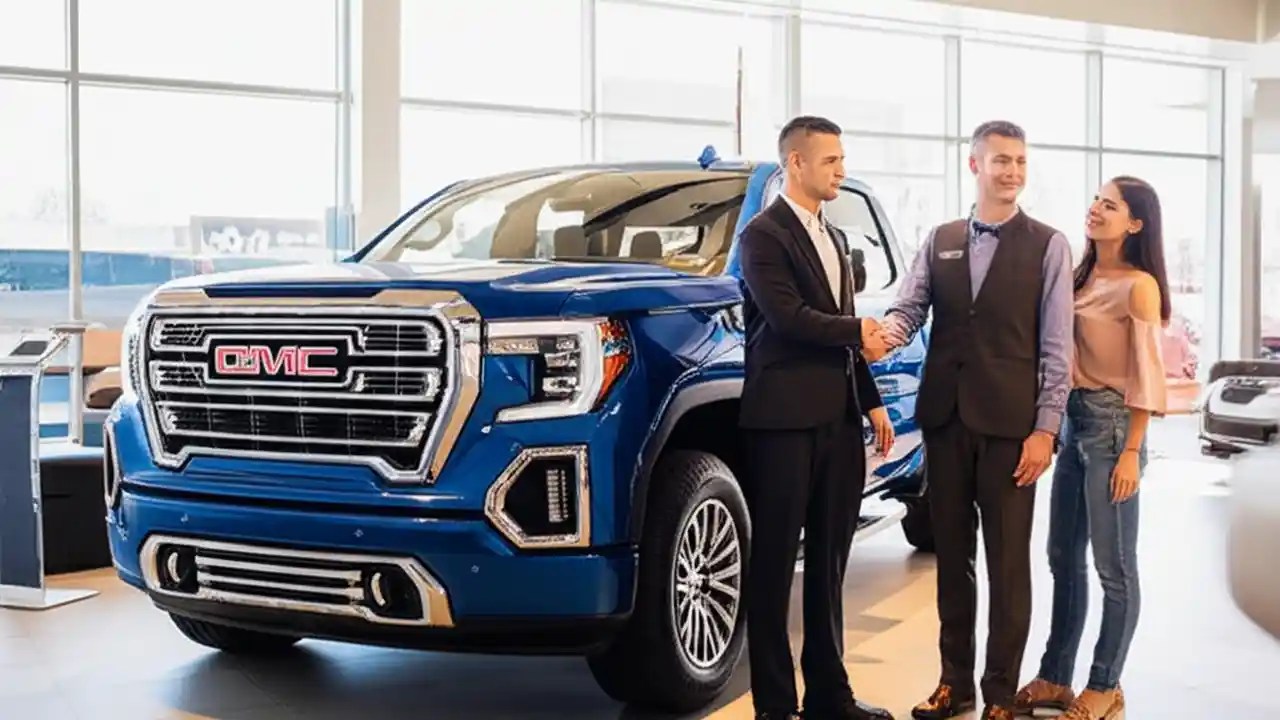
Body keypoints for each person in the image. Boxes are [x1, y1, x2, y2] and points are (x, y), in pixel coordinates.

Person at [876, 120, 1075, 720]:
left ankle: (1000, 694)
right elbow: (909, 308)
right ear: (975, 166)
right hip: (945, 421)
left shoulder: (1049, 245)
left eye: (1020, 161)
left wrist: (1045, 429)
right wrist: (881, 335)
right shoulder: (940, 239)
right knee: (951, 561)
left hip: (1013, 429)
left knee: (1008, 567)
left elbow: (1057, 347)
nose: (1012, 171)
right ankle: (954, 684)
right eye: (1001, 160)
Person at [738, 115, 896, 720]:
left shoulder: (834, 236)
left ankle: (831, 696)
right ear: (796, 163)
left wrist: (871, 400)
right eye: (831, 160)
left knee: (830, 563)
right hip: (783, 422)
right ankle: (776, 707)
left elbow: (841, 334)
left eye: (842, 159)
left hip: (838, 418)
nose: (841, 170)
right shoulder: (763, 236)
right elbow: (788, 319)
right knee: (775, 566)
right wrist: (859, 329)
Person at [1013, 176, 1169, 720]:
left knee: (1114, 568)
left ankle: (1105, 685)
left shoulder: (1139, 286)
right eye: (1096, 200)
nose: (1096, 209)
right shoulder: (1078, 276)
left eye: (1110, 205)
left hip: (1113, 429)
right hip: (1073, 424)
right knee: (1062, 557)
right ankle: (1056, 677)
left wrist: (1132, 452)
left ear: (1135, 224)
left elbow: (1148, 374)